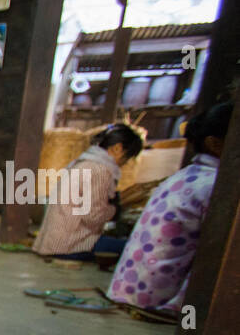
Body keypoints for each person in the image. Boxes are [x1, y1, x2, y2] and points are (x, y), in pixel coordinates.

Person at [108, 101, 232, 311]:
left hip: (127, 291)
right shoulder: (214, 187)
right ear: (216, 144)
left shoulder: (184, 177)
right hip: (155, 302)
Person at [32, 124, 143, 260]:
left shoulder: (83, 162)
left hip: (51, 242)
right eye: (127, 158)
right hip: (68, 246)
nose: (125, 163)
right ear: (117, 148)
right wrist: (114, 211)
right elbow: (92, 217)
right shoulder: (100, 170)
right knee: (133, 247)